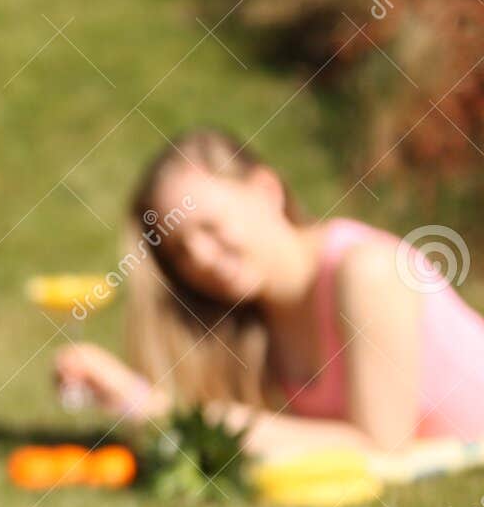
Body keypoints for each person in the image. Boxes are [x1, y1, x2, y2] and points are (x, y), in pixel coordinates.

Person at [55, 128, 484, 455]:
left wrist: (170, 413)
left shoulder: (367, 272)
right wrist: (134, 401)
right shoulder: (257, 321)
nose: (200, 258)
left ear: (266, 191)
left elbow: (382, 450)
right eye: (180, 250)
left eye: (209, 226)